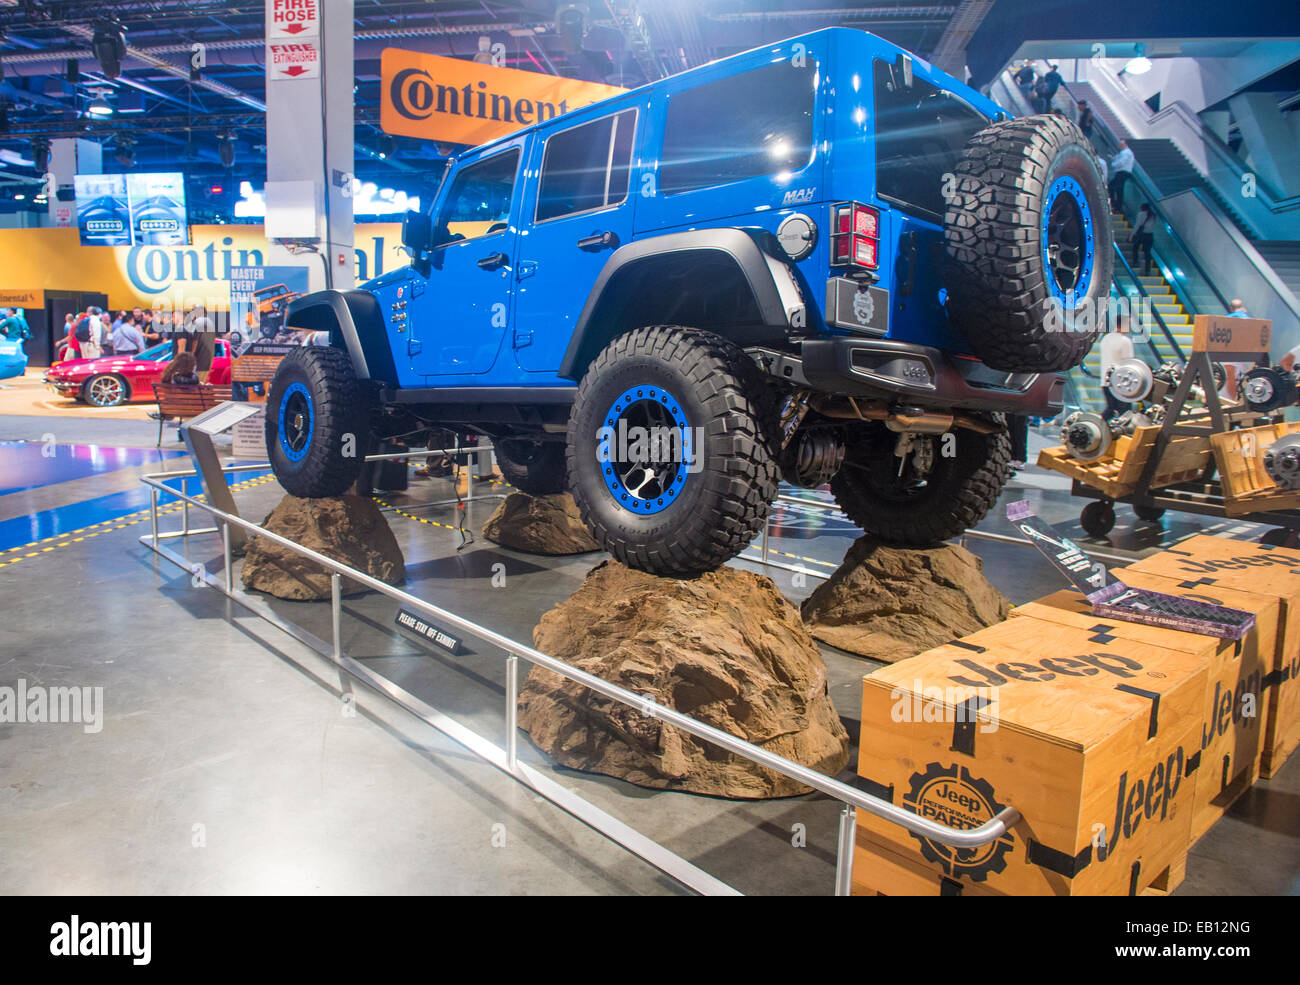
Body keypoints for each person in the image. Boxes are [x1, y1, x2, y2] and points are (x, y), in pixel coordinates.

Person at [1099, 326, 1136, 419]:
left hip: (1106, 381)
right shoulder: (1125, 341)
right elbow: (1128, 362)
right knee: (1125, 413)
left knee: (1111, 409)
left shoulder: (1105, 339)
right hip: (1121, 382)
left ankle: (1097, 425)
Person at [176, 303, 218, 383]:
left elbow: (194, 342)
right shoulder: (210, 322)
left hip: (198, 360)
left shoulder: (197, 322)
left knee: (196, 385)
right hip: (208, 360)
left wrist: (190, 356)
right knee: (202, 382)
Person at [1109, 139, 1135, 212]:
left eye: (1121, 145)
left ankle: (1117, 206)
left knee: (1117, 188)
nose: (1119, 146)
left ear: (1125, 145)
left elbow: (1122, 162)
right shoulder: (1125, 153)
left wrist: (1113, 164)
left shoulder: (1126, 153)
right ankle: (1115, 204)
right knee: (1114, 187)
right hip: (1122, 172)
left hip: (1122, 172)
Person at [1130, 203, 1156, 276]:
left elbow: (1137, 225)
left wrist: (1132, 235)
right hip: (1150, 235)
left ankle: (1135, 262)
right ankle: (1148, 270)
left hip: (1142, 235)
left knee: (1135, 247)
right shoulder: (1153, 215)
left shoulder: (1141, 214)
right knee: (1147, 253)